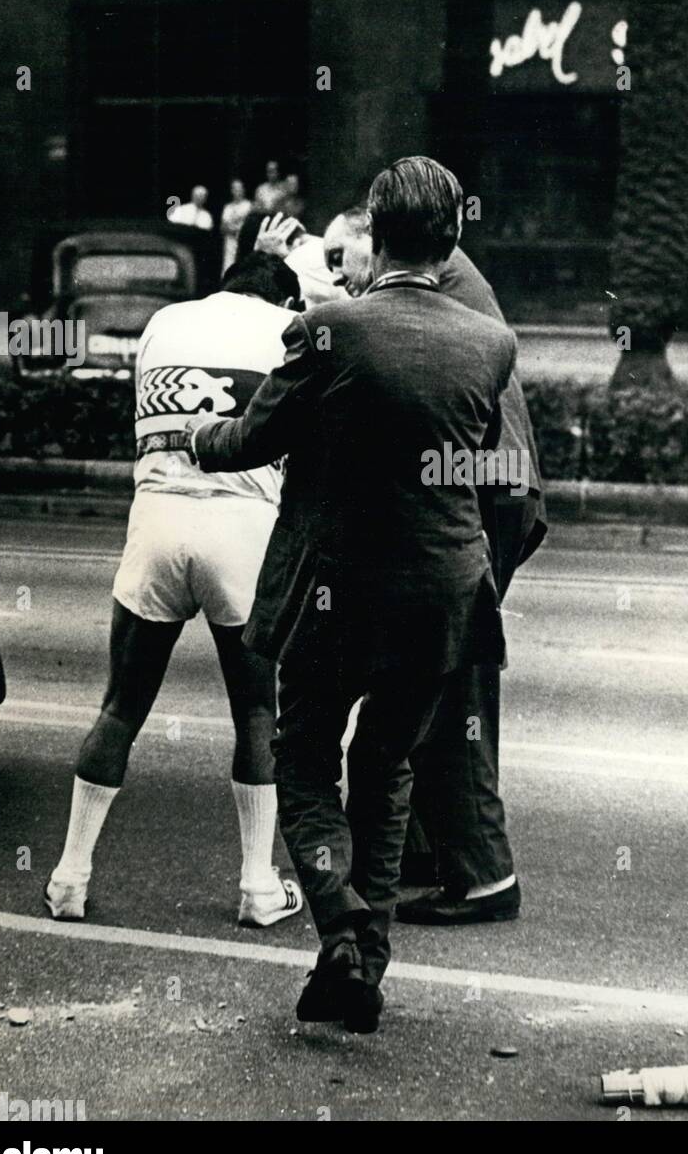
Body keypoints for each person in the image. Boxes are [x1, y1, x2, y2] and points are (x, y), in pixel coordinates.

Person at [189, 157, 517, 1032]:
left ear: (373, 232)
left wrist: (194, 429)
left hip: (335, 589)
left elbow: (248, 442)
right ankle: (366, 962)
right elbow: (471, 465)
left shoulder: (331, 329)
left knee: (302, 758)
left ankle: (338, 929)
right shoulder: (491, 344)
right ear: (452, 238)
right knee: (385, 768)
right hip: (444, 591)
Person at [44, 252, 305, 930]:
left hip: (157, 521)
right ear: (285, 296)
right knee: (255, 713)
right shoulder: (289, 328)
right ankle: (256, 886)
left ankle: (69, 878)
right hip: (244, 531)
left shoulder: (165, 322)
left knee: (120, 708)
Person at [321, 206, 546, 924]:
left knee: (452, 684)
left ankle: (483, 876)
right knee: (430, 671)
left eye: (341, 257)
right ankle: (424, 848)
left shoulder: (422, 280)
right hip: (492, 489)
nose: (338, 276)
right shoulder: (437, 267)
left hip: (484, 496)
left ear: (377, 238)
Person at [220, 177, 252, 272]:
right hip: (230, 243)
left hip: (244, 242)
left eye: (239, 188)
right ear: (232, 191)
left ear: (243, 190)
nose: (237, 191)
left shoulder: (249, 205)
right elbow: (222, 227)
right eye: (235, 189)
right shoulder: (227, 207)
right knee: (228, 268)